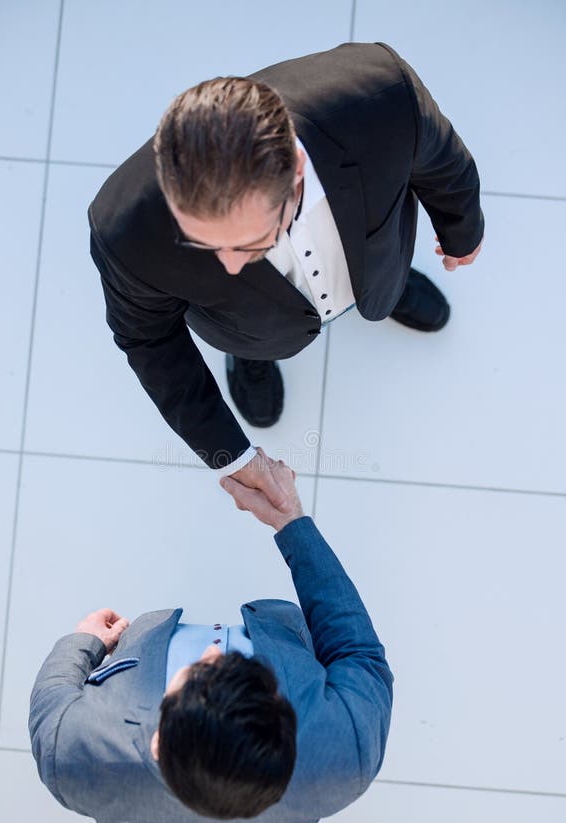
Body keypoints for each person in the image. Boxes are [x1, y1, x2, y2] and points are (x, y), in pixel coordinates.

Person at [88, 41, 483, 508]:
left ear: (296, 170)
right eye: (203, 243)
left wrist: (462, 231)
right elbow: (148, 339)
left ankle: (385, 292)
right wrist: (231, 456)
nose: (228, 266)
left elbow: (442, 162)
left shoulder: (381, 94)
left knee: (377, 272)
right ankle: (253, 359)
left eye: (250, 243)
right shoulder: (124, 229)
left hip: (374, 256)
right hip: (248, 328)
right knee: (252, 333)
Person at [29, 455, 393, 823]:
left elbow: (51, 694)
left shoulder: (68, 754)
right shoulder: (347, 756)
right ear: (285, 720)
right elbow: (356, 652)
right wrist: (290, 521)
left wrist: (85, 643)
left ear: (157, 739)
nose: (214, 652)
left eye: (196, 676)